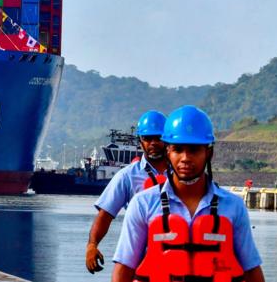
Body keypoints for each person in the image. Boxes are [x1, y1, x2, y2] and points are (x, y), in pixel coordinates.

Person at [111, 106, 265, 282]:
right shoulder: (142, 204)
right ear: (168, 152)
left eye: (194, 150)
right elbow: (123, 269)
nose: (185, 158)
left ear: (209, 153)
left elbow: (252, 270)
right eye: (177, 149)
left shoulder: (233, 207)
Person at [86, 110, 170, 274]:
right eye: (147, 138)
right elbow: (105, 216)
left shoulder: (181, 174)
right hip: (140, 263)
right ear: (140, 141)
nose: (153, 143)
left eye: (158, 137)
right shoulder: (127, 176)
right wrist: (92, 245)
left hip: (176, 260)